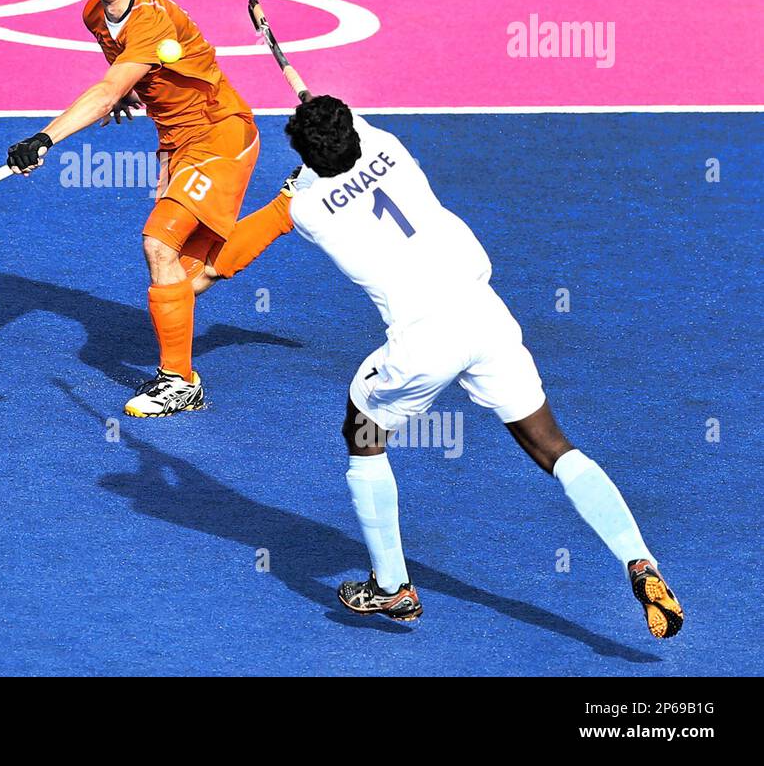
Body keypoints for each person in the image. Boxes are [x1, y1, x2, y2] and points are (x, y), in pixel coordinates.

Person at [275, 94, 682, 639]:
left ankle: (392, 586)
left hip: (422, 346)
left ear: (309, 155)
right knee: (553, 445)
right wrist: (320, 111)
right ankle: (639, 560)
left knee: (363, 430)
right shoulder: (388, 146)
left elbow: (313, 174)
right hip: (485, 316)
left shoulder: (307, 208)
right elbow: (349, 131)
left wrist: (307, 145)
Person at [6, 0, 293, 417]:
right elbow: (123, 77)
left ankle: (179, 382)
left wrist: (45, 138)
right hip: (176, 143)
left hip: (220, 133)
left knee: (157, 244)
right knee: (186, 278)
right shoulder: (94, 13)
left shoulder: (152, 19)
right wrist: (128, 91)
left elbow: (107, 87)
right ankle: (290, 206)